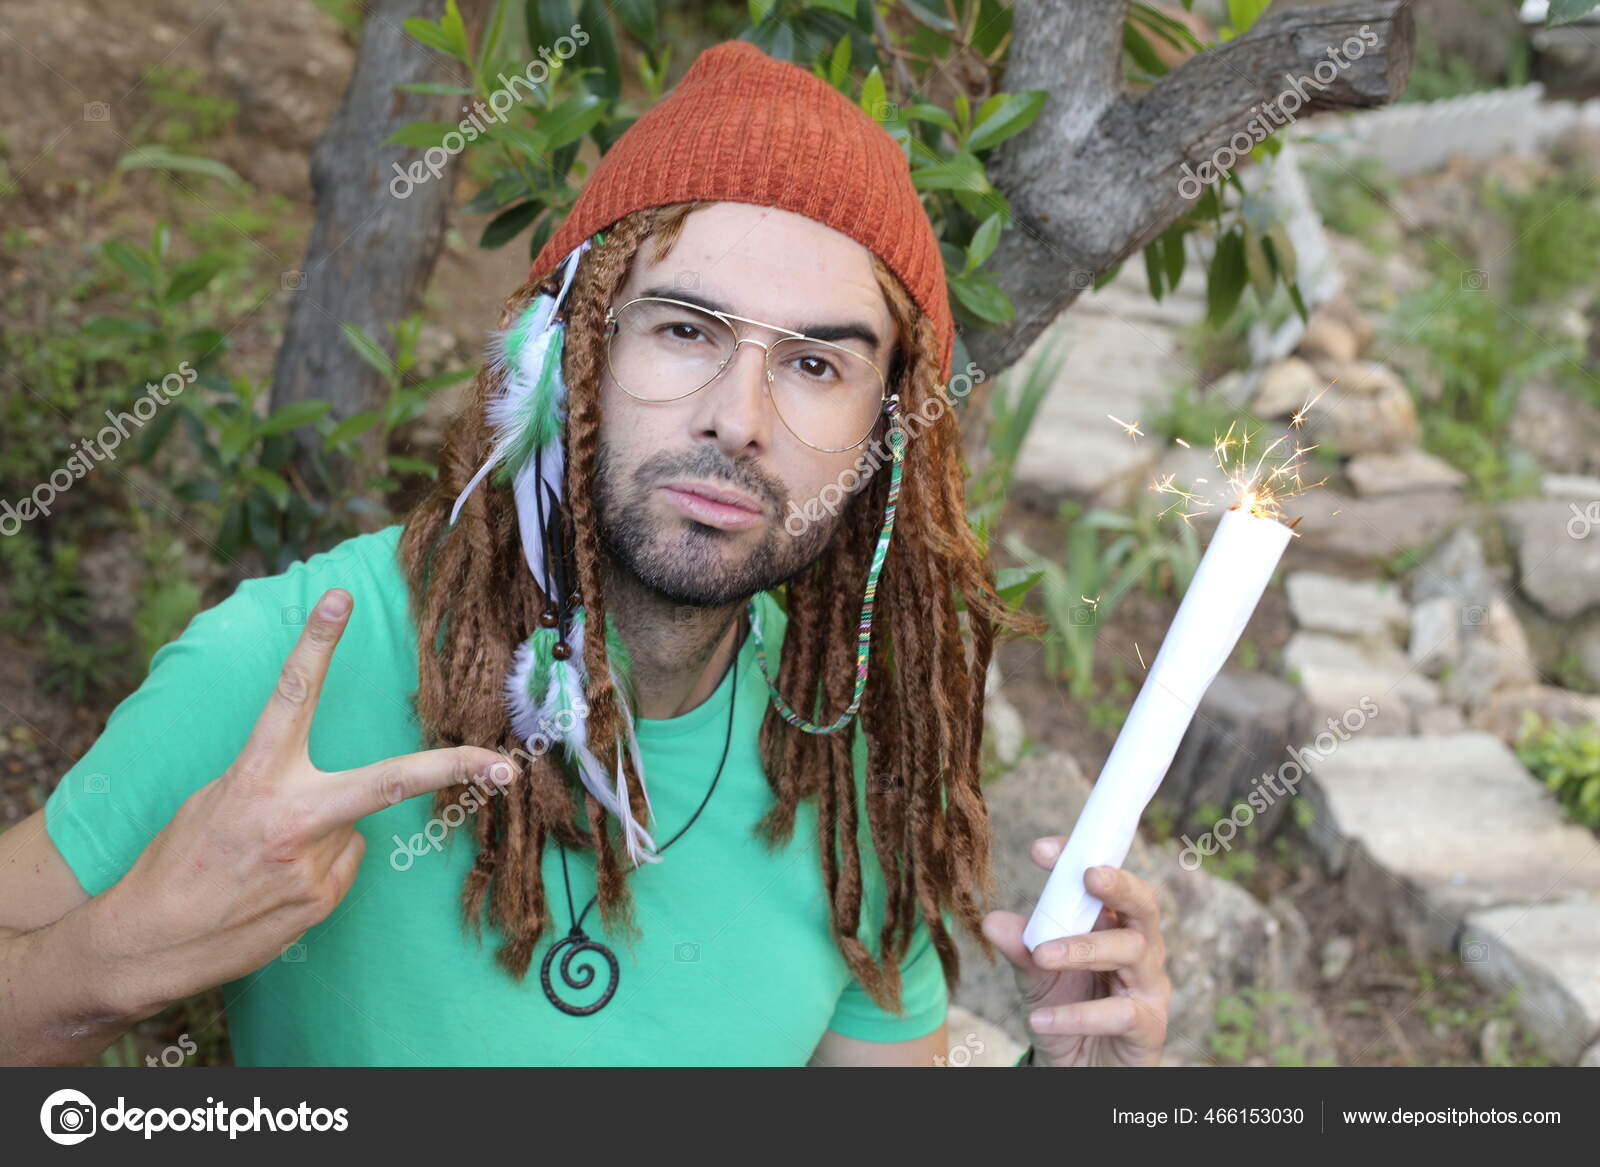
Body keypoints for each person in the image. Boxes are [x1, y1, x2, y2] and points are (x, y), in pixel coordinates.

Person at [0, 40, 1170, 1067]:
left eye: (816, 364)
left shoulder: (853, 741)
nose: (739, 418)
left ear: (887, 432)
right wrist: (116, 957)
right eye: (682, 330)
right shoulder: (297, 661)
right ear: (563, 352)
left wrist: (1075, 1086)